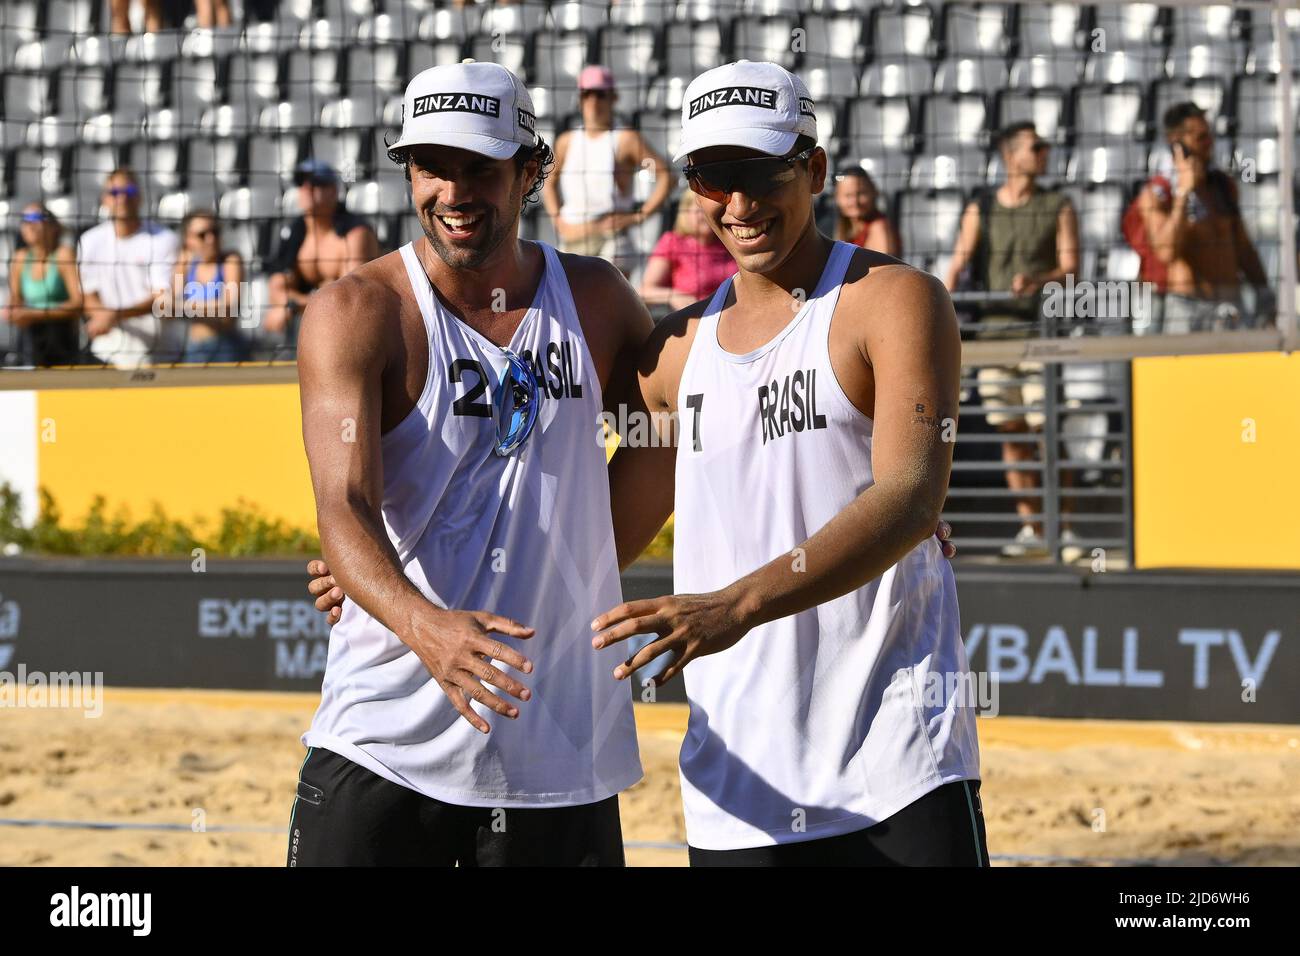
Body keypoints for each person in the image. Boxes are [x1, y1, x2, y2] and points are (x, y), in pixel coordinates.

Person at [313, 61, 972, 868]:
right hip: (425, 742)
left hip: (853, 758)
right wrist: (382, 574)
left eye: (762, 171)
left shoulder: (620, 307)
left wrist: (897, 509)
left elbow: (890, 483)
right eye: (713, 177)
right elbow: (385, 510)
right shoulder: (665, 352)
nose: (740, 201)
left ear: (529, 175)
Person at [287, 61, 652, 867]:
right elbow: (342, 509)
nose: (453, 191)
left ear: (530, 173)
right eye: (431, 166)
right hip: (386, 740)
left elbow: (694, 426)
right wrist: (420, 621)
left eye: (479, 169)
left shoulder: (596, 299)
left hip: (557, 749)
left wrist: (886, 493)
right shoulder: (358, 310)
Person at [944, 122, 1080, 560]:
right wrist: (939, 308)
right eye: (1035, 146)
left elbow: (1072, 268)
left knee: (1049, 434)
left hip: (1041, 336)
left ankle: (1066, 530)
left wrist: (1039, 281)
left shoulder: (1057, 205)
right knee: (1012, 435)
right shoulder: (981, 207)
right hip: (994, 338)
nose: (1044, 152)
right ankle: (1032, 529)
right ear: (1011, 156)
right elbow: (957, 264)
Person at [1128, 102, 1271, 334]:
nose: (1209, 143)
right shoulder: (1157, 195)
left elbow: (1243, 248)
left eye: (1209, 136)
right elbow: (1166, 252)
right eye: (1201, 138)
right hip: (1188, 310)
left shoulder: (1222, 186)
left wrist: (1265, 294)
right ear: (1177, 144)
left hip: (1231, 307)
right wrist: (1184, 193)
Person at [543, 65, 673, 277]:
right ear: (580, 99)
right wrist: (557, 220)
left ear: (613, 98)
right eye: (587, 94)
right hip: (572, 238)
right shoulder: (566, 142)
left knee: (608, 305)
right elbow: (548, 183)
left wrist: (638, 216)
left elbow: (666, 176)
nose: (593, 102)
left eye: (600, 94)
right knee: (571, 306)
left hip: (611, 240)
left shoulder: (626, 140)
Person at [77, 168, 180, 368]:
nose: (122, 198)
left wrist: (114, 315)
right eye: (114, 193)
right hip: (107, 354)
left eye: (129, 192)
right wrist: (102, 317)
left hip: (158, 354)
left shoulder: (163, 239)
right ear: (104, 199)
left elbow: (161, 299)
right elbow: (87, 294)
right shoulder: (89, 241)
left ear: (139, 196)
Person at [263, 159, 380, 336]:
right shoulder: (295, 230)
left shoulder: (355, 232)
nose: (307, 188)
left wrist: (294, 304)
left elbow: (349, 299)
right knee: (273, 318)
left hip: (356, 327)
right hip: (317, 323)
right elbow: (277, 289)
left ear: (334, 191)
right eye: (302, 182)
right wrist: (301, 301)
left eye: (317, 183)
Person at [2, 203, 84, 367]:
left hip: (61, 338)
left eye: (36, 218)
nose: (30, 225)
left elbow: (78, 303)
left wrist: (34, 313)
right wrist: (10, 310)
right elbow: (15, 298)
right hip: (30, 338)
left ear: (53, 227)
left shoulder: (63, 255)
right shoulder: (20, 258)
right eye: (25, 220)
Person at [163, 210, 250, 363]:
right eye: (202, 235)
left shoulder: (230, 260)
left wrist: (183, 307)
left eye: (215, 232)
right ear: (188, 239)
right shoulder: (187, 263)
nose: (211, 239)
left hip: (226, 348)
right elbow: (168, 309)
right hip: (194, 349)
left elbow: (229, 307)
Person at [639, 190, 737, 310]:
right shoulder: (673, 242)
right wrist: (674, 296)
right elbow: (645, 291)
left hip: (734, 315)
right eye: (700, 210)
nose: (706, 215)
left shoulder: (731, 241)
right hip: (696, 317)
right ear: (686, 211)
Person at [832, 165, 900, 256]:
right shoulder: (844, 226)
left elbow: (885, 267)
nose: (855, 202)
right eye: (848, 195)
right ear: (837, 198)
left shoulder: (879, 227)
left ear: (874, 193)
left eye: (861, 194)